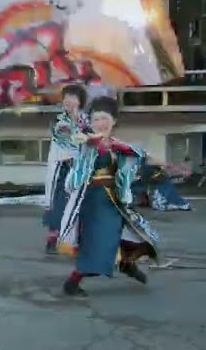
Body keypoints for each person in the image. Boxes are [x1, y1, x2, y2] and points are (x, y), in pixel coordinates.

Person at [58, 96, 159, 296]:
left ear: (114, 121)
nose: (100, 124)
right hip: (94, 200)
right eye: (95, 119)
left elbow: (139, 158)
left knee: (127, 234)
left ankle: (126, 264)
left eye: (104, 118)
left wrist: (171, 166)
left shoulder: (119, 145)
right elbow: (69, 145)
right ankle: (72, 282)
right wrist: (83, 140)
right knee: (100, 240)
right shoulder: (86, 143)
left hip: (115, 199)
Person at [43, 84, 89, 253]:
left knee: (78, 202)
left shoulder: (87, 119)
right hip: (61, 167)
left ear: (80, 101)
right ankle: (52, 238)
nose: (68, 101)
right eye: (66, 97)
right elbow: (65, 135)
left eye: (72, 97)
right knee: (58, 201)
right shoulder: (58, 119)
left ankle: (76, 239)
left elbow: (90, 136)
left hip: (80, 167)